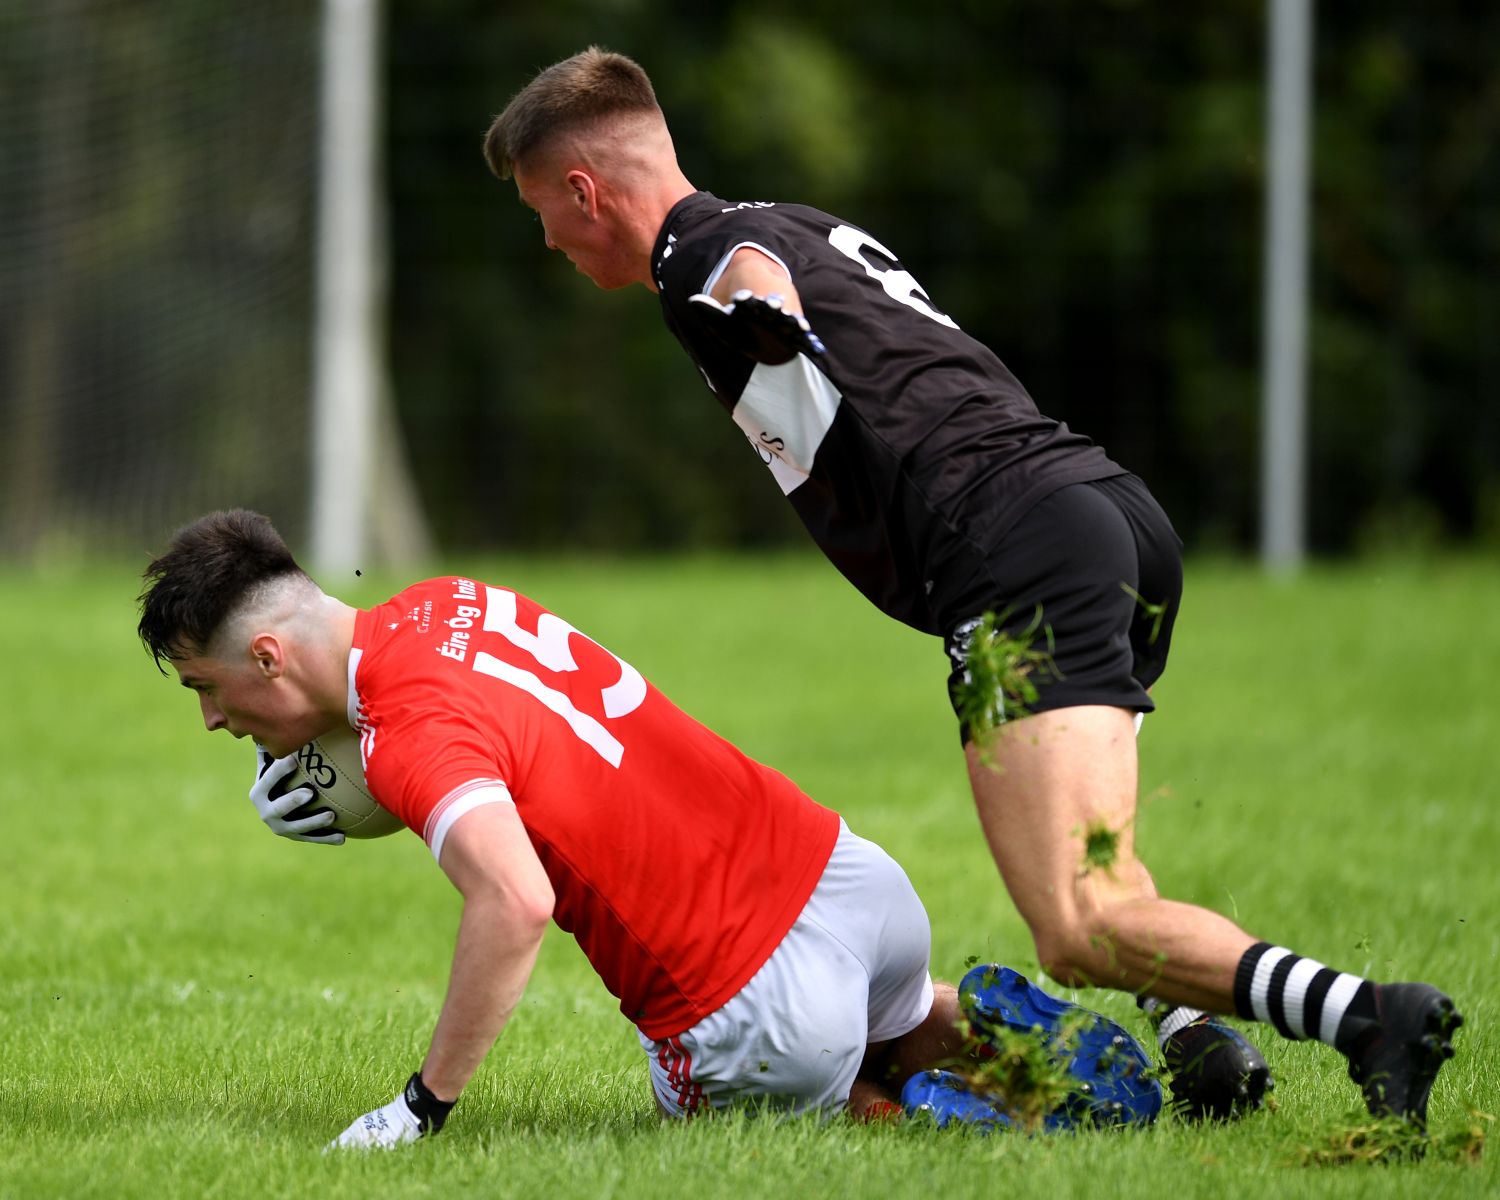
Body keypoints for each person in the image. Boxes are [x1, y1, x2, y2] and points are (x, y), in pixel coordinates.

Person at [480, 47, 1464, 1126]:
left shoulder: (700, 253)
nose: (548, 242)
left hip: (1014, 553)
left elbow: (747, 275)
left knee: (1073, 926)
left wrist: (771, 321)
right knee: (1098, 857)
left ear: (585, 190)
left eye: (543, 211)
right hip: (1106, 514)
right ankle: (1194, 1041)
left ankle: (1371, 1019)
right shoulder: (796, 215)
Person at [136, 509, 1162, 1147]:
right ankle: (989, 1039)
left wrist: (423, 1105)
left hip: (747, 1007)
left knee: (762, 1108)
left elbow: (516, 899)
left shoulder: (409, 738)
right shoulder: (446, 603)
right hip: (849, 880)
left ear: (269, 657)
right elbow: (527, 748)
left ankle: (946, 1128)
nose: (213, 719)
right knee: (880, 1020)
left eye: (206, 687)